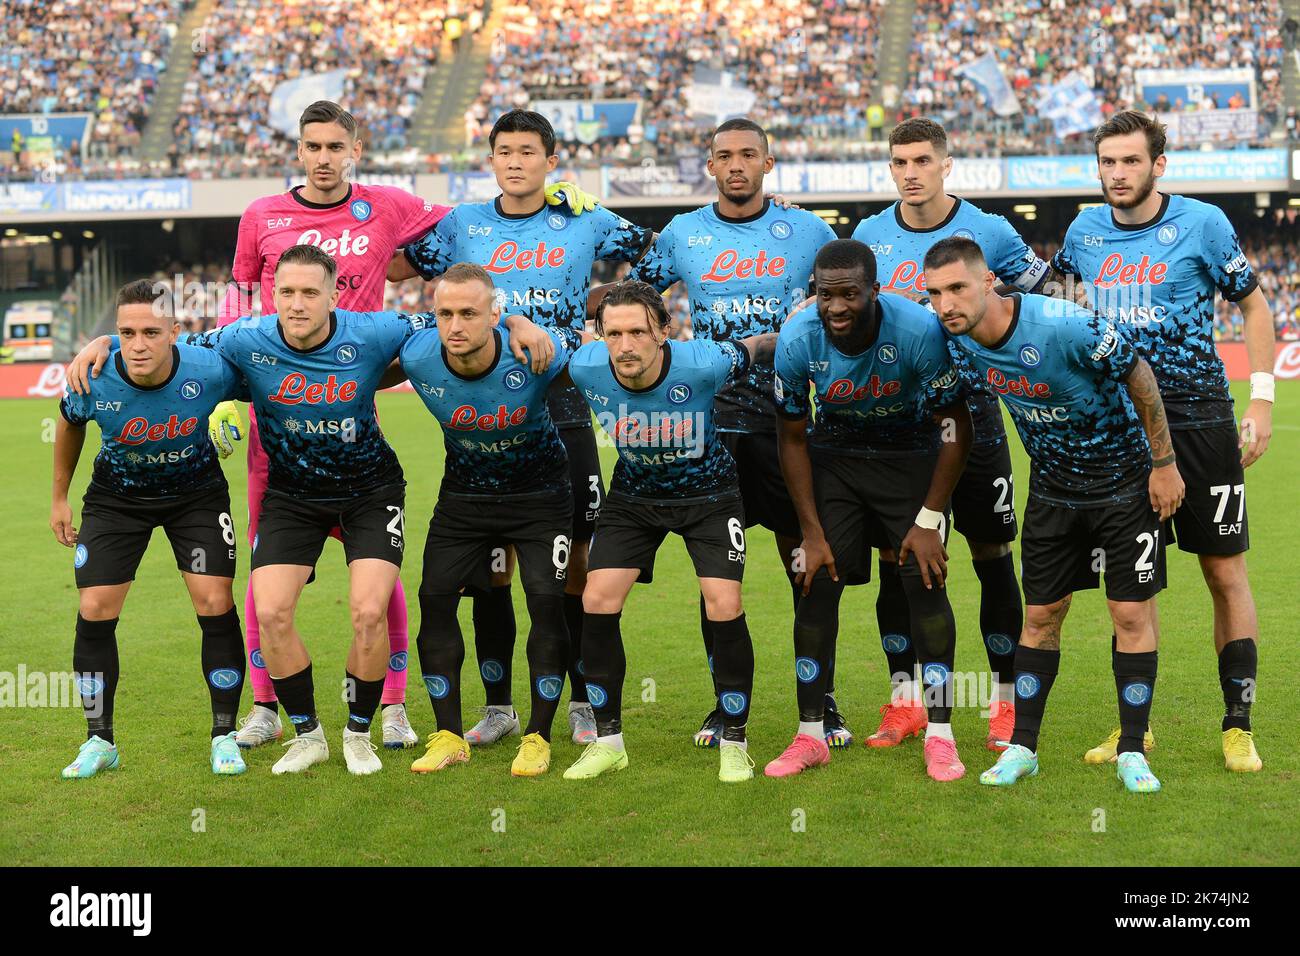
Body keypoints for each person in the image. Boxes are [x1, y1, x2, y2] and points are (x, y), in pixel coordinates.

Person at [67, 245, 556, 776]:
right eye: (286, 293)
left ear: (332, 294)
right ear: (272, 294)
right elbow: (164, 343)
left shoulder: (373, 331)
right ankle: (308, 735)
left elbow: (458, 311)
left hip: (370, 491)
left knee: (369, 610)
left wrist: (515, 318)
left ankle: (359, 733)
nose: (296, 304)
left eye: (308, 293)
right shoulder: (243, 340)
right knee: (271, 611)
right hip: (292, 497)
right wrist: (107, 340)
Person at [389, 108, 648, 749]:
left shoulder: (584, 218)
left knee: (575, 565)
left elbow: (656, 256)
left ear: (550, 161)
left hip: (562, 407)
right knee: (494, 567)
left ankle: (585, 700)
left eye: (528, 151)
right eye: (504, 150)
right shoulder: (462, 225)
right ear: (492, 158)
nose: (515, 161)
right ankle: (501, 704)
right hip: (488, 410)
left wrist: (597, 310)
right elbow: (397, 267)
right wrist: (366, 218)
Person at [1051, 110, 1274, 773]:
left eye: (1129, 161)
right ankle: (1134, 734)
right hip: (1119, 427)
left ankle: (1238, 725)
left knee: (1223, 571)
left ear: (1158, 164)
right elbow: (1062, 312)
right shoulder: (1082, 233)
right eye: (1107, 162)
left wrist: (1260, 395)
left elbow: (1254, 305)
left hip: (1200, 420)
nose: (1116, 174)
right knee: (1132, 585)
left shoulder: (1203, 224)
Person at [925, 236, 1183, 794]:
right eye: (935, 293)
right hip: (1051, 494)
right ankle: (1024, 747)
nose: (946, 304)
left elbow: (1140, 377)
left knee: (1130, 615)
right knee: (1040, 617)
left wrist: (1164, 464)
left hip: (1122, 489)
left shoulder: (1065, 324)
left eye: (957, 288)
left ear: (989, 281)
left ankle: (1133, 751)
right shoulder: (958, 344)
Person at [849, 117, 1075, 751]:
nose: (911, 172)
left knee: (991, 558)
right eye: (899, 163)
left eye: (922, 160)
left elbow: (1049, 296)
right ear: (890, 169)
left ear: (947, 164)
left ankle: (1004, 703)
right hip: (899, 430)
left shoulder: (992, 232)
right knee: (900, 566)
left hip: (975, 422)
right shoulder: (869, 236)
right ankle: (906, 702)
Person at [625, 118, 845, 748]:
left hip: (794, 418)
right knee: (717, 571)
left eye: (750, 155)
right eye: (726, 156)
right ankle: (727, 704)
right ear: (711, 165)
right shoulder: (683, 233)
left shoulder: (809, 230)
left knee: (806, 558)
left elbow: (841, 302)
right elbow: (637, 299)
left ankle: (820, 700)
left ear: (768, 164)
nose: (738, 165)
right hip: (713, 421)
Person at [767, 239, 973, 782]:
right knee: (814, 581)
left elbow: (956, 428)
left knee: (923, 582)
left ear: (874, 290)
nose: (836, 307)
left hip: (910, 455)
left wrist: (930, 519)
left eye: (849, 295)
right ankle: (811, 734)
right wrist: (810, 533)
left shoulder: (918, 331)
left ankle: (941, 735)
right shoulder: (796, 338)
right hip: (834, 457)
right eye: (825, 295)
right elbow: (790, 439)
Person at [563, 281, 776, 783]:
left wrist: (801, 325)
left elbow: (755, 346)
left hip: (710, 498)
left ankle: (735, 740)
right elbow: (525, 343)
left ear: (664, 332)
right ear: (599, 337)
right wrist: (513, 320)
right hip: (635, 499)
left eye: (637, 331)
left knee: (723, 602)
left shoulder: (703, 362)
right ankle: (608, 742)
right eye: (613, 333)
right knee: (596, 598)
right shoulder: (584, 366)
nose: (625, 345)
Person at [51, 280, 250, 778]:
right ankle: (100, 740)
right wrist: (58, 497)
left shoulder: (210, 369)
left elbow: (265, 378)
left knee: (214, 601)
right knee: (95, 608)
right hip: (117, 501)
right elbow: (70, 424)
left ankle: (224, 735)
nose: (137, 344)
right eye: (125, 333)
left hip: (196, 497)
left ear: (174, 334)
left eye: (150, 333)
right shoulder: (92, 376)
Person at [396, 264, 582, 777]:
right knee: (434, 600)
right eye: (445, 314)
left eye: (469, 313)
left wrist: (524, 321)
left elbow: (596, 345)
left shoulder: (534, 350)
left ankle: (539, 738)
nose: (455, 325)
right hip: (464, 498)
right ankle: (449, 735)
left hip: (541, 496)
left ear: (494, 314)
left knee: (547, 603)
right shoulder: (417, 353)